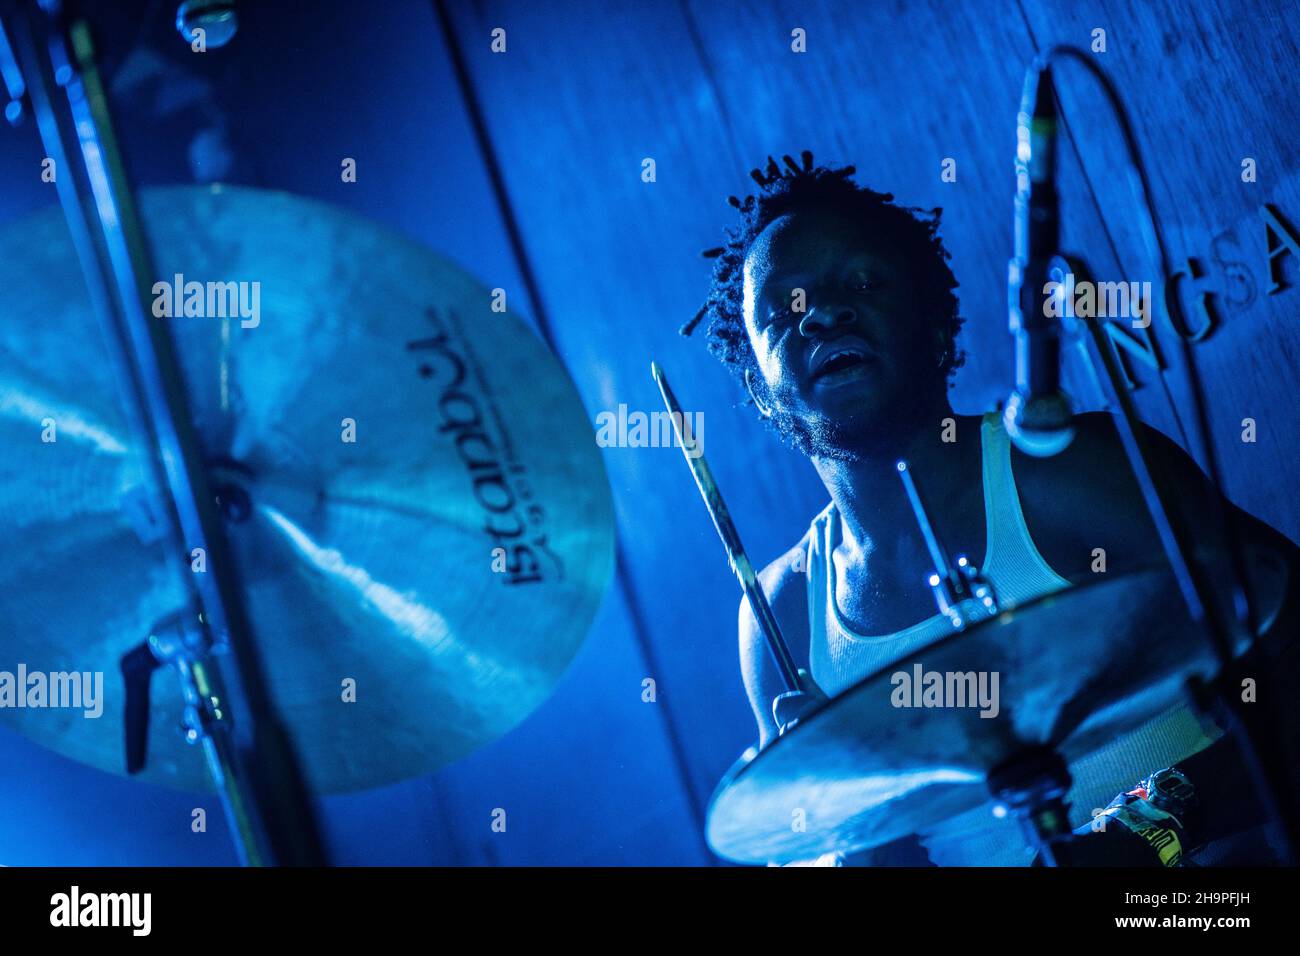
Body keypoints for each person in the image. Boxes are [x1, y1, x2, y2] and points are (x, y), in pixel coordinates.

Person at [685, 152, 1300, 866]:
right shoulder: (782, 618)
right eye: (785, 307)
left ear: (937, 326)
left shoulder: (1067, 470)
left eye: (862, 281)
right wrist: (843, 816)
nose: (823, 310)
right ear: (760, 391)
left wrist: (1146, 834)